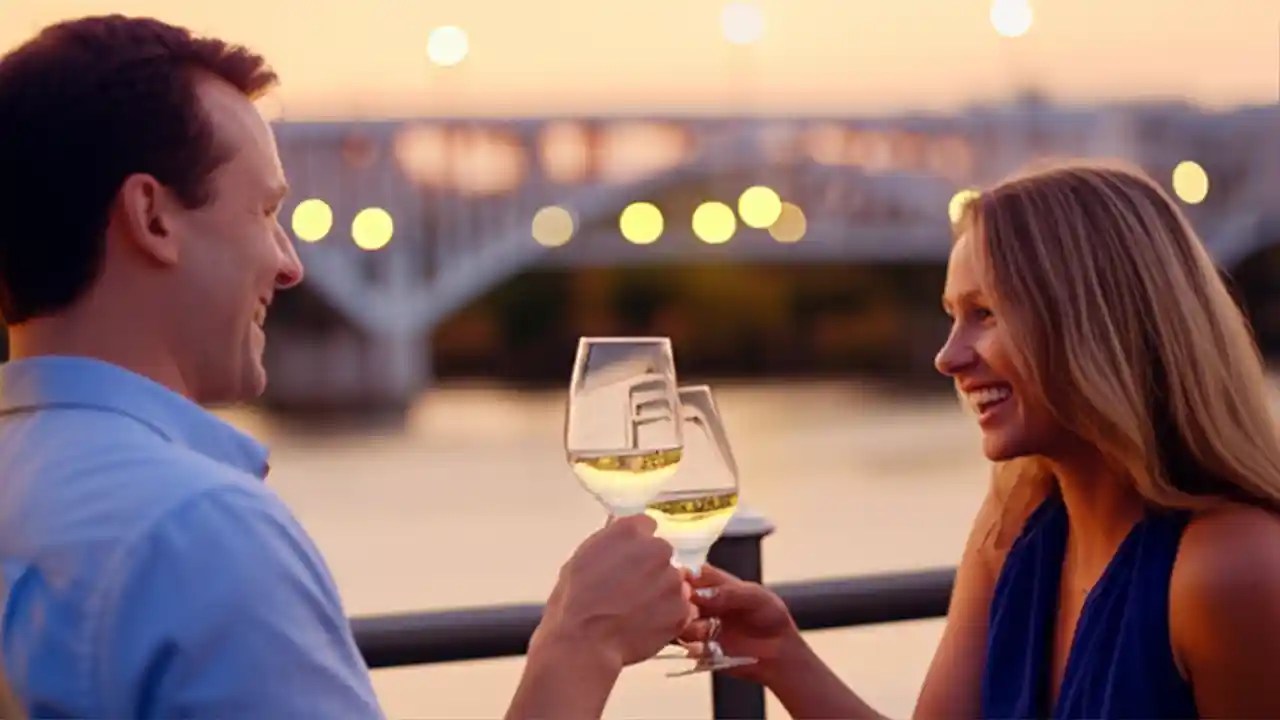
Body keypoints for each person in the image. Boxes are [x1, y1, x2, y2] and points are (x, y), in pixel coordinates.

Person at [0, 15, 693, 718]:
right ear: (152, 217)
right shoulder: (200, 531)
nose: (292, 264)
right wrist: (582, 647)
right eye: (265, 211)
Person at [680, 161, 1280, 718]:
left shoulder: (1231, 571)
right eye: (951, 315)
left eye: (986, 313)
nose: (948, 358)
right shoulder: (1017, 523)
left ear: (1097, 324)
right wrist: (780, 653)